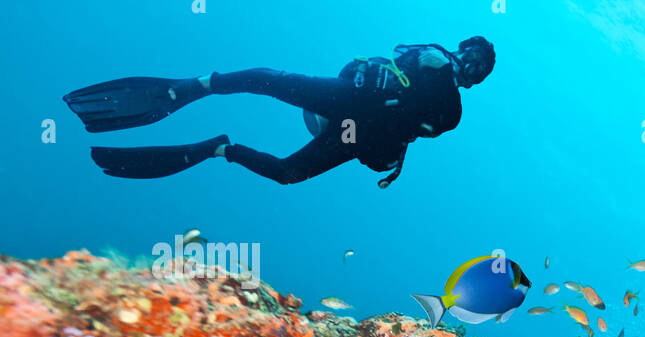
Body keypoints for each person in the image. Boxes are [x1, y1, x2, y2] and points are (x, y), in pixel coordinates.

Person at [63, 38, 495, 187]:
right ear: (462, 49)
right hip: (348, 102)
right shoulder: (423, 55)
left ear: (476, 80)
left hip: (353, 135)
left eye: (480, 66)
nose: (471, 63)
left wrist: (438, 77)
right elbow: (383, 67)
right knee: (272, 82)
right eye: (472, 53)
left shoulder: (452, 108)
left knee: (288, 174)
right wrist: (424, 63)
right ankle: (197, 87)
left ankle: (218, 149)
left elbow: (429, 127)